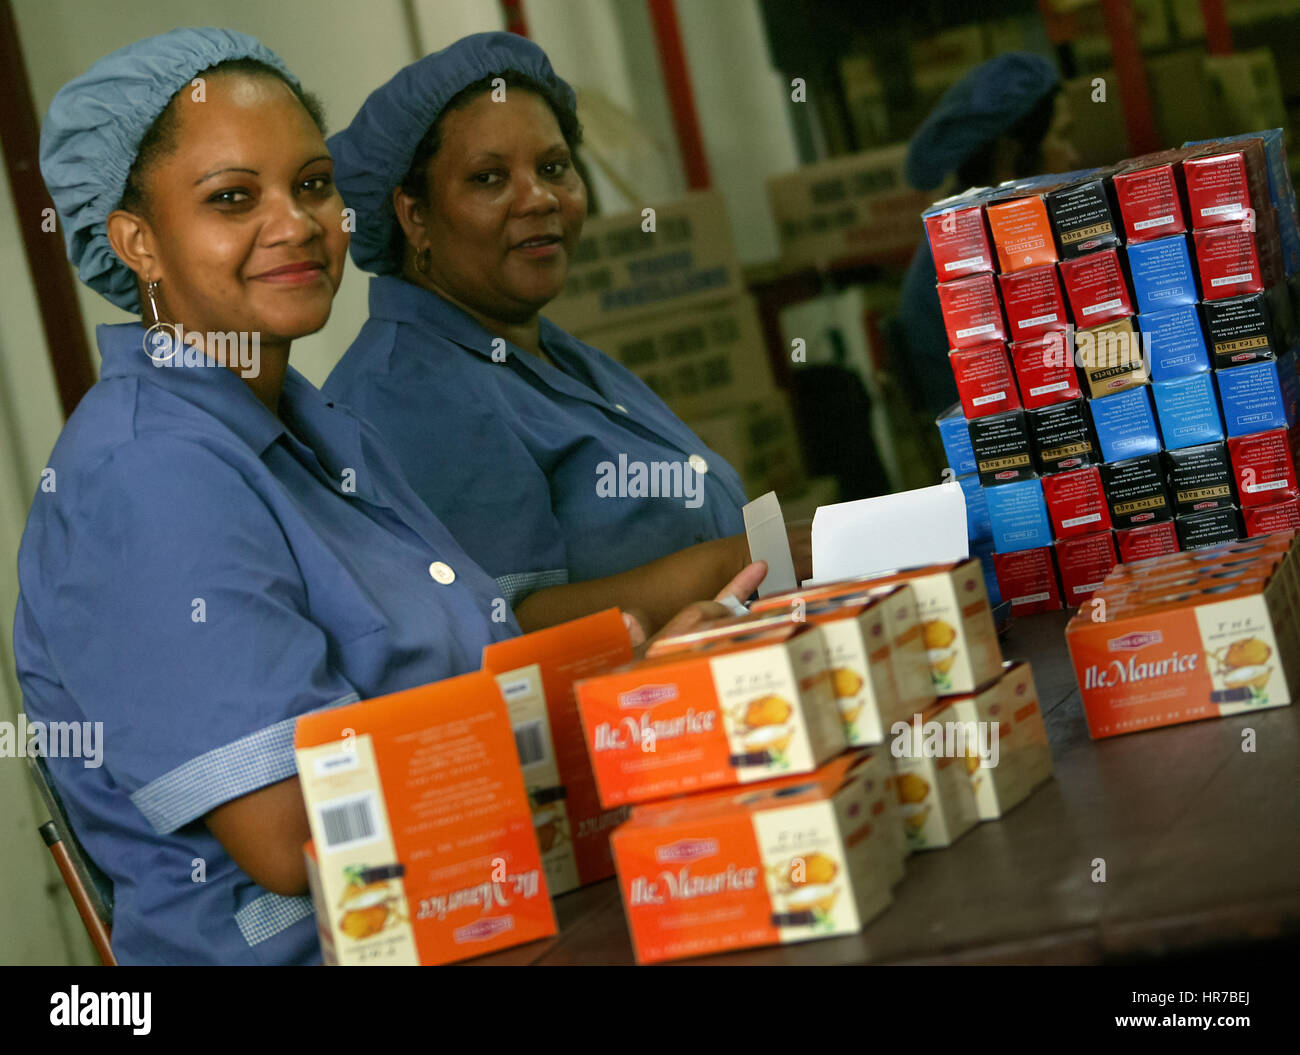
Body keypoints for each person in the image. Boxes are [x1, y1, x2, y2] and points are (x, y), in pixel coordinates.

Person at [16, 28, 762, 966]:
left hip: (481, 912)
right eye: (233, 198)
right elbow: (295, 834)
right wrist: (610, 706)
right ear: (137, 243)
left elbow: (478, 667)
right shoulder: (147, 474)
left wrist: (646, 667)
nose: (294, 223)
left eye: (314, 184)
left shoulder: (313, 430)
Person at [322, 33, 810, 637]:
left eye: (554, 168)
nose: (539, 197)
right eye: (488, 178)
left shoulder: (549, 353)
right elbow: (503, 627)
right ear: (414, 215)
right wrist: (740, 562)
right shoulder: (407, 392)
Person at [897, 52, 1080, 419]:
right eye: (1061, 137)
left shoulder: (991, 231)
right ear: (1009, 154)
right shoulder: (970, 256)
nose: (1073, 156)